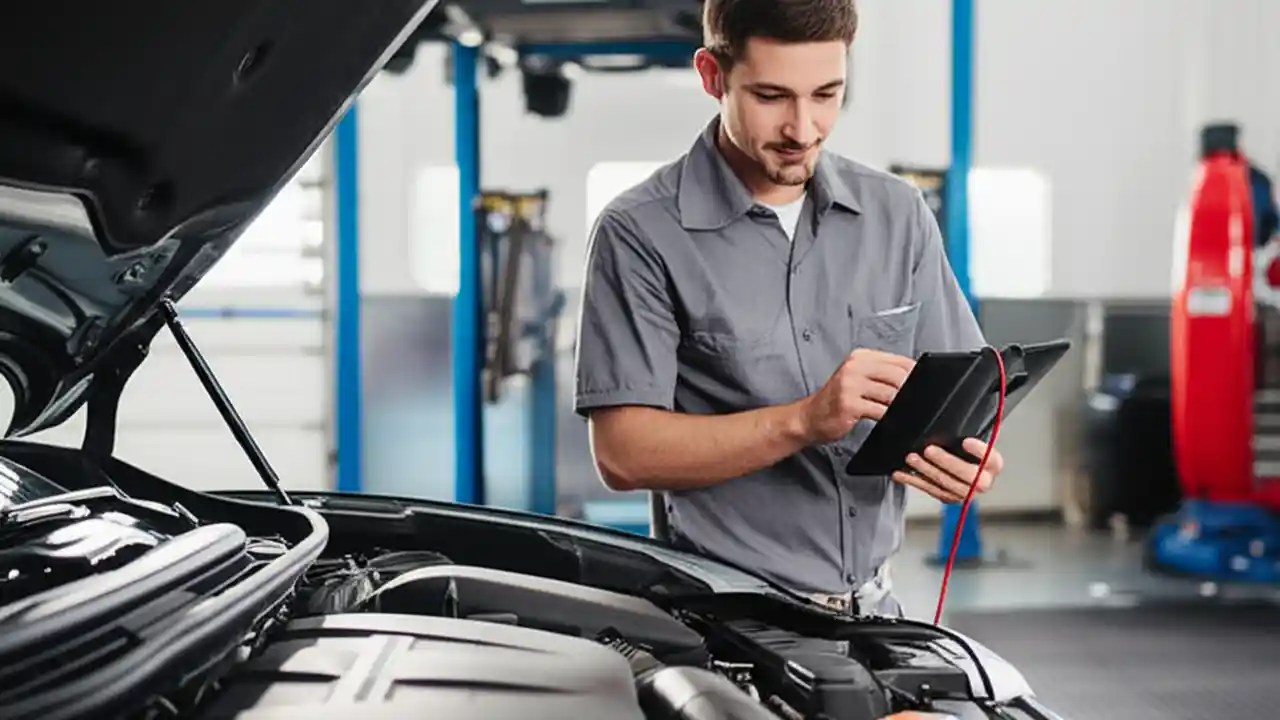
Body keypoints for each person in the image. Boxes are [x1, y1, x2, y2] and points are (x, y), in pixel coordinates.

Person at [572, 0, 1004, 617]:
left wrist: (963, 454)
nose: (803, 129)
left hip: (876, 609)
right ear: (713, 76)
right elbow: (623, 453)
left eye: (827, 94)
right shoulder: (640, 233)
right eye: (771, 97)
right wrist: (805, 420)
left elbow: (961, 393)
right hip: (729, 621)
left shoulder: (897, 215)